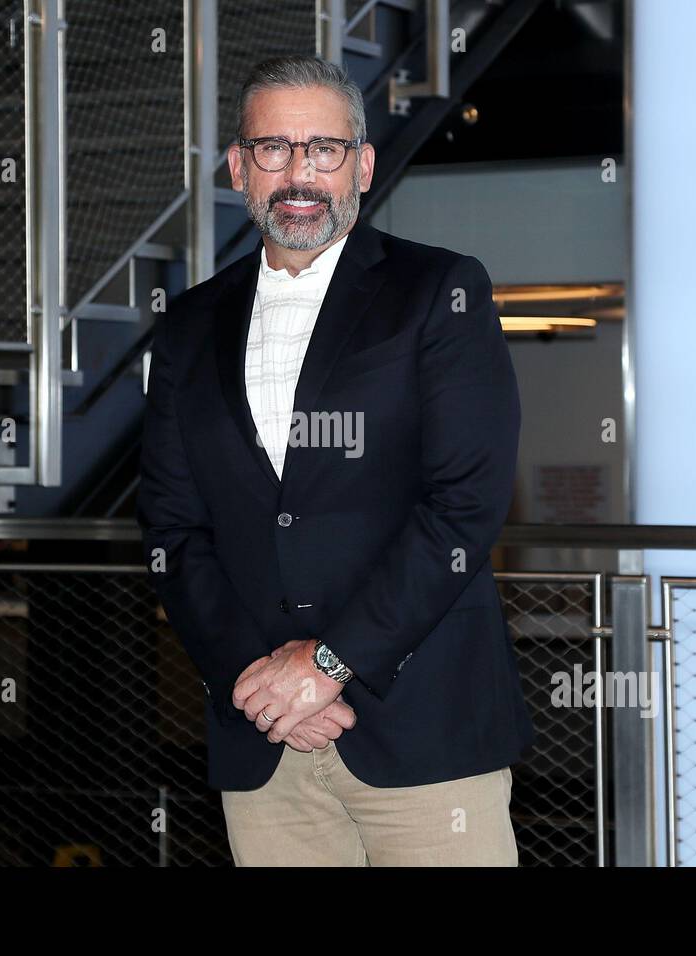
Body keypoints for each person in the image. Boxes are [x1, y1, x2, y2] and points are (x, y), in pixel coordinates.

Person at [137, 54, 533, 866]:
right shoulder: (186, 324)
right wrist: (261, 682)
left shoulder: (441, 291)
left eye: (324, 148)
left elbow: (464, 505)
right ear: (239, 168)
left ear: (364, 162)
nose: (299, 173)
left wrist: (327, 663)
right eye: (274, 149)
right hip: (264, 740)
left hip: (424, 729)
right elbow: (172, 528)